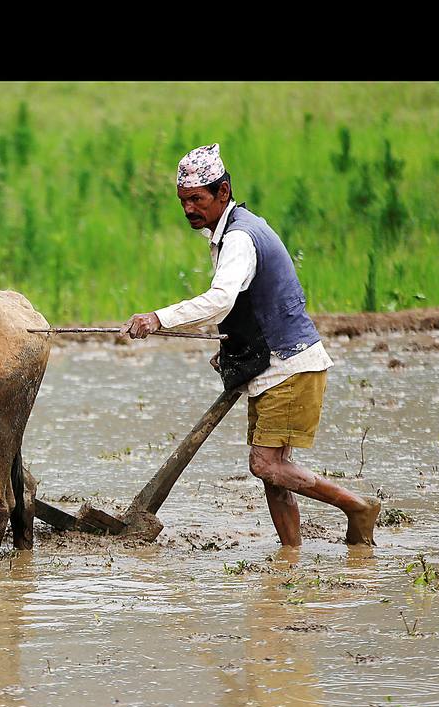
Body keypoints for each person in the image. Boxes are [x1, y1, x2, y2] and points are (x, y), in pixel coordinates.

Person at [123, 143, 380, 546]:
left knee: (266, 465)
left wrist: (158, 318)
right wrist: (234, 348)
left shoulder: (240, 237)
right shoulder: (232, 232)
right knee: (274, 473)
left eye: (197, 199)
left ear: (222, 192)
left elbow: (222, 299)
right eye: (183, 201)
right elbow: (252, 303)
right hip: (273, 367)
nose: (189, 209)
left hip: (290, 366)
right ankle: (290, 556)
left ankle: (357, 508)